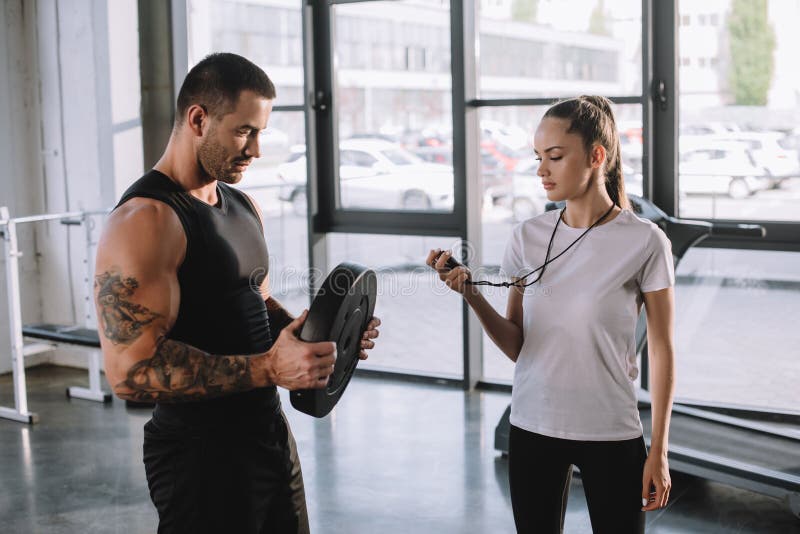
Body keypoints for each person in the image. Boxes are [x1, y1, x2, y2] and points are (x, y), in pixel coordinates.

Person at [94, 53, 381, 534]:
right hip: (200, 455)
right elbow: (131, 372)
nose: (257, 150)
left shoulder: (242, 204)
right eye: (245, 131)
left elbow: (256, 305)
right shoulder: (146, 219)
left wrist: (317, 338)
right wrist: (269, 367)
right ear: (198, 119)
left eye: (261, 132)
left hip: (267, 435)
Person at [428, 95, 674, 533]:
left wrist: (659, 451)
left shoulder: (645, 242)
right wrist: (470, 294)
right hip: (533, 426)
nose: (541, 170)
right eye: (538, 157)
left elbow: (663, 349)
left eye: (555, 157)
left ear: (597, 156)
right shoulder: (527, 236)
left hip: (612, 432)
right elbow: (518, 345)